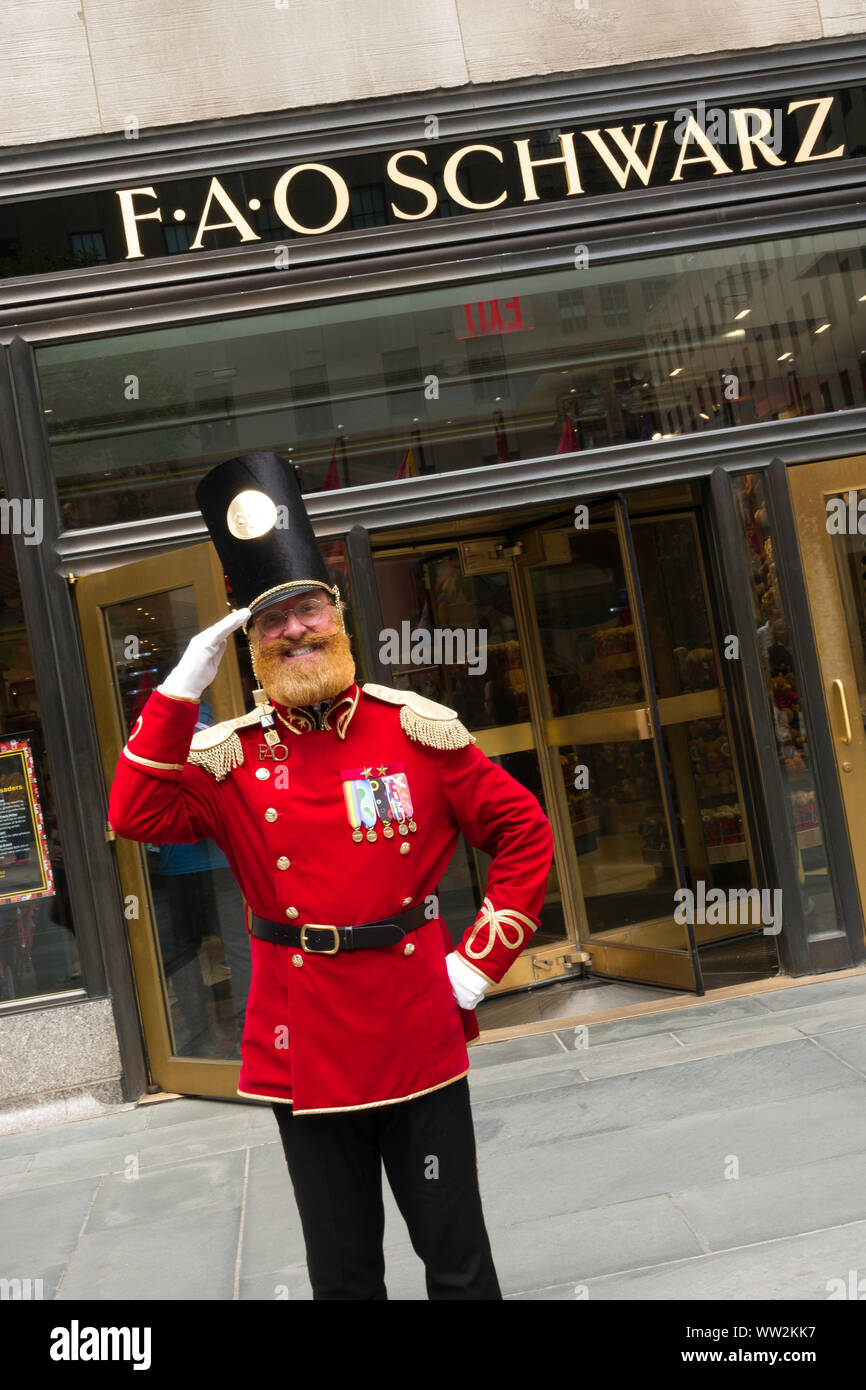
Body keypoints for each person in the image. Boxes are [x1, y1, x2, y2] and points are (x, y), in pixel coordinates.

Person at [108, 450, 554, 1300]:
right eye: (271, 620)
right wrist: (177, 693)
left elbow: (525, 833)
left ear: (337, 614)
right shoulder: (227, 758)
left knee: (456, 1256)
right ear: (250, 643)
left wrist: (476, 963)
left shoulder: (414, 730)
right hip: (299, 1035)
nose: (295, 631)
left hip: (415, 1019)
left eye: (307, 608)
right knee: (343, 1270)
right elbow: (133, 815)